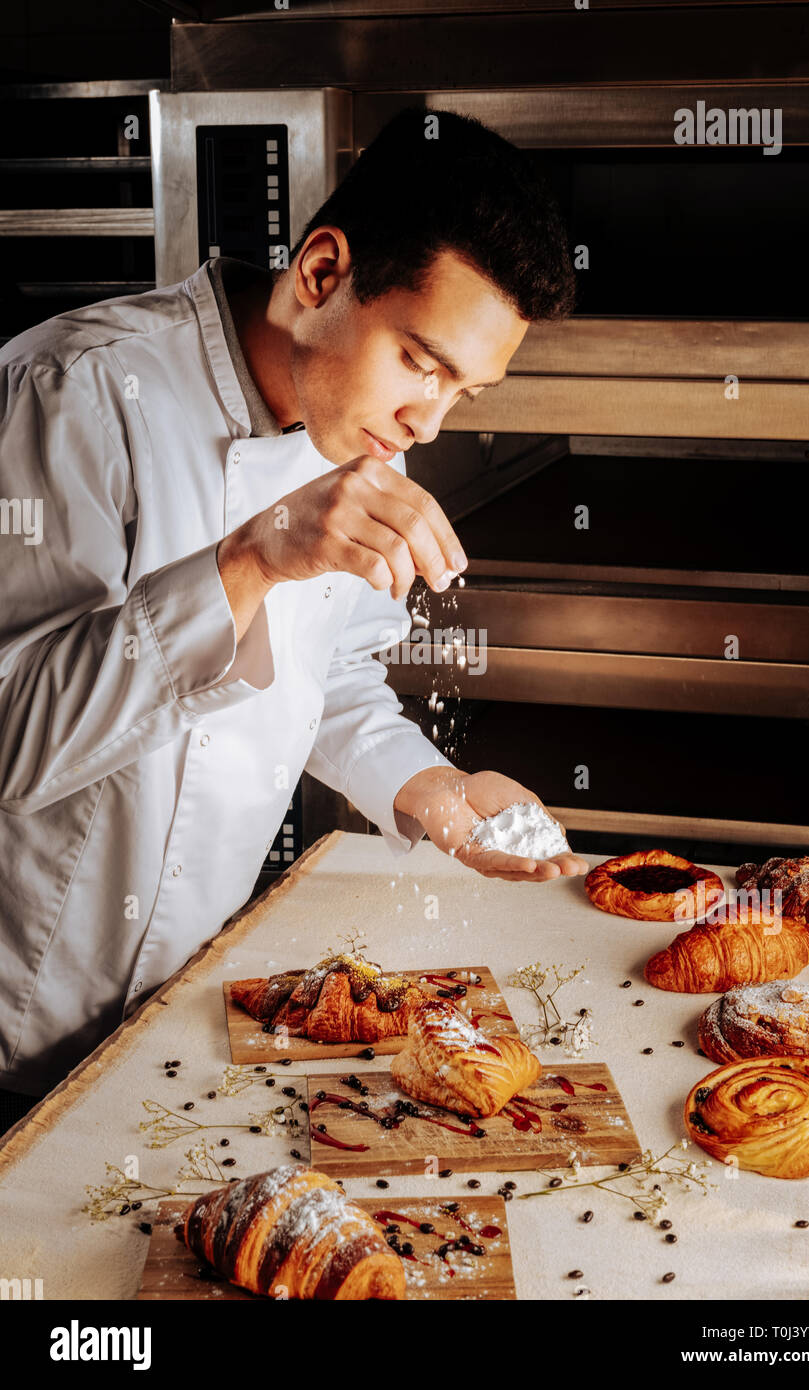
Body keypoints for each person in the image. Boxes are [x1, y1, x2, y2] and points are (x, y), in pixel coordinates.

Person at [0, 107, 585, 1131]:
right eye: (420, 359)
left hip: (178, 1017)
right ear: (320, 273)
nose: (426, 422)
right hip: (16, 1034)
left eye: (462, 390)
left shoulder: (357, 428)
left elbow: (329, 676)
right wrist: (254, 555)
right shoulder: (75, 391)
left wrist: (436, 792)